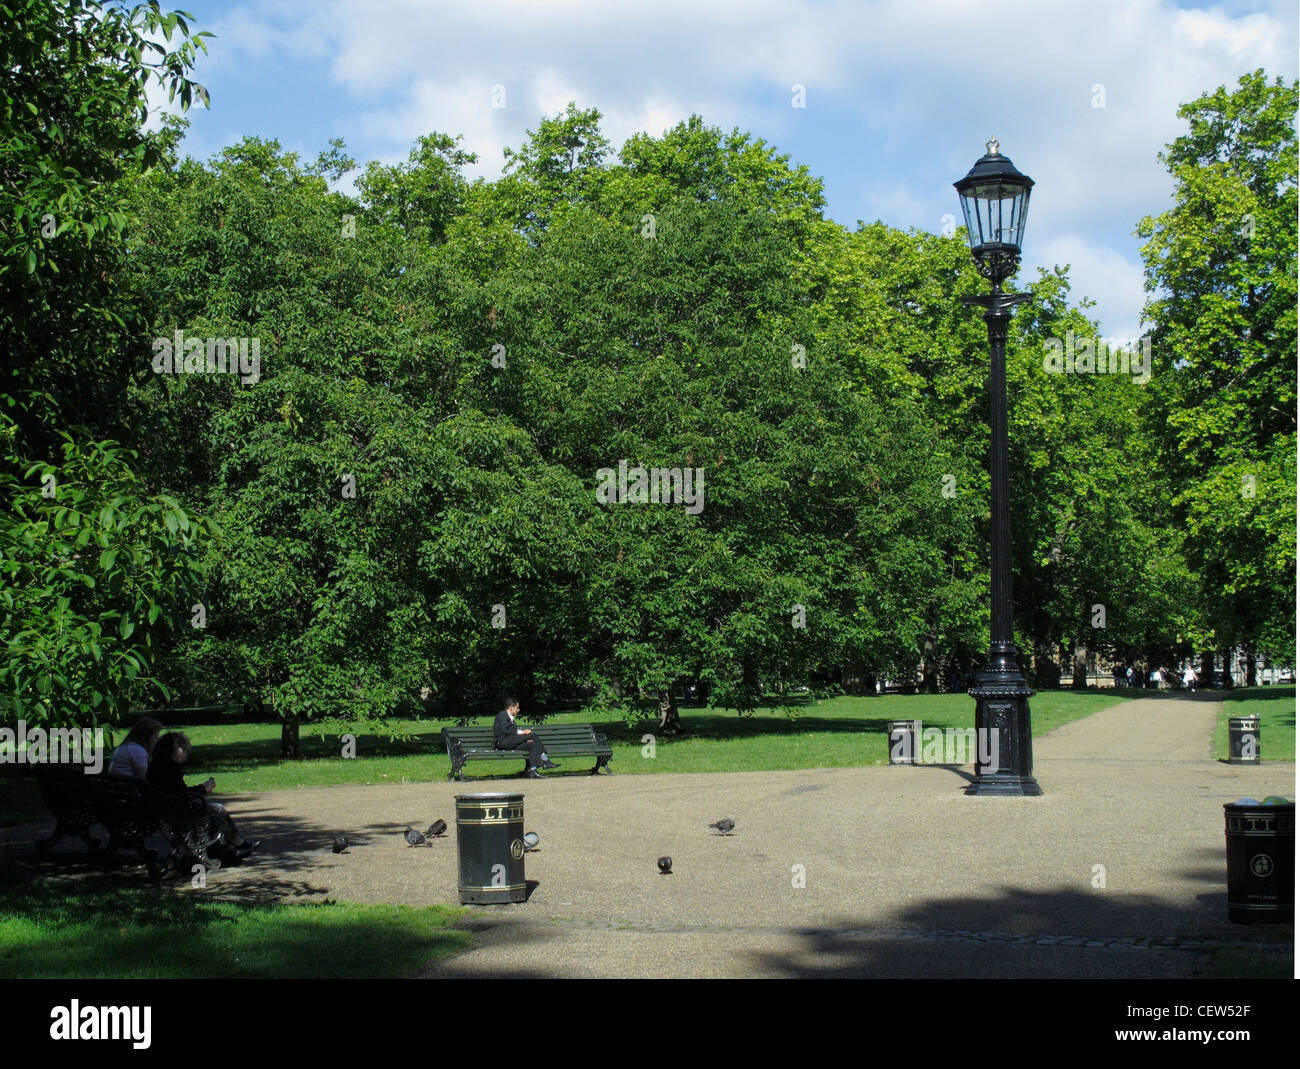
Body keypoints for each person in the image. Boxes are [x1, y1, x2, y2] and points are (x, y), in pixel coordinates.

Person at [147, 732, 258, 859]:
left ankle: (231, 846)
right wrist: (202, 789)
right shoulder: (168, 767)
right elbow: (181, 794)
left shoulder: (160, 764)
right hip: (175, 812)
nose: (186, 753)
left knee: (213, 811)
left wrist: (202, 788)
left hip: (166, 810)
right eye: (183, 750)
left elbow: (177, 791)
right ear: (172, 750)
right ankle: (238, 844)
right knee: (218, 810)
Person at [493, 697, 559, 778]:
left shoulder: (509, 717)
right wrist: (522, 732)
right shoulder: (502, 715)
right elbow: (505, 730)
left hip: (511, 742)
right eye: (517, 707)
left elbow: (512, 733)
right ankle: (545, 760)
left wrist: (523, 740)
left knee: (533, 744)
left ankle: (533, 771)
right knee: (532, 735)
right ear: (511, 708)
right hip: (504, 743)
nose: (518, 710)